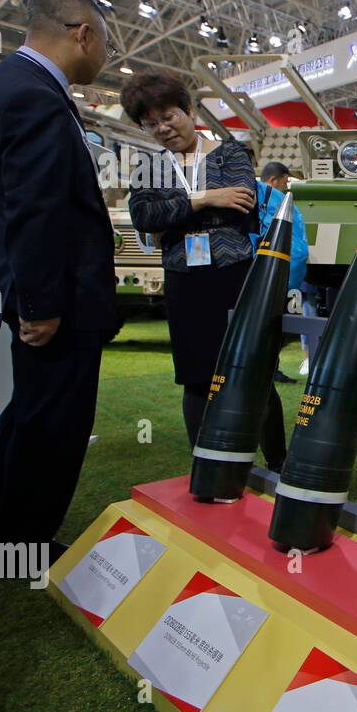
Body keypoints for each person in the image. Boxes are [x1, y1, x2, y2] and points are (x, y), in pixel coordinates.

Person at [0, 0, 118, 558]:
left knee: (30, 411)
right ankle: (17, 540)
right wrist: (42, 302)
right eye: (105, 42)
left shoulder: (2, 88)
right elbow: (36, 208)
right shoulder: (33, 96)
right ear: (83, 34)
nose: (105, 57)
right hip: (58, 301)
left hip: (40, 292)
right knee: (52, 421)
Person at [120, 72, 286, 473]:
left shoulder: (231, 153)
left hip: (234, 277)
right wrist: (207, 198)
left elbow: (242, 203)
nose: (162, 128)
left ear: (189, 111)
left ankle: (280, 463)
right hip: (185, 282)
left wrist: (174, 213)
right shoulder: (150, 165)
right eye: (151, 123)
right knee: (196, 378)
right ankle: (206, 465)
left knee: (254, 373)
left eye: (168, 116)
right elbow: (143, 214)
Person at [253, 162, 309, 383]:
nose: (286, 187)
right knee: (274, 326)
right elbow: (297, 250)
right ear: (274, 180)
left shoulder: (260, 200)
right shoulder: (273, 202)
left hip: (263, 277)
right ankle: (268, 368)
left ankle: (268, 367)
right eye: (285, 181)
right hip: (278, 278)